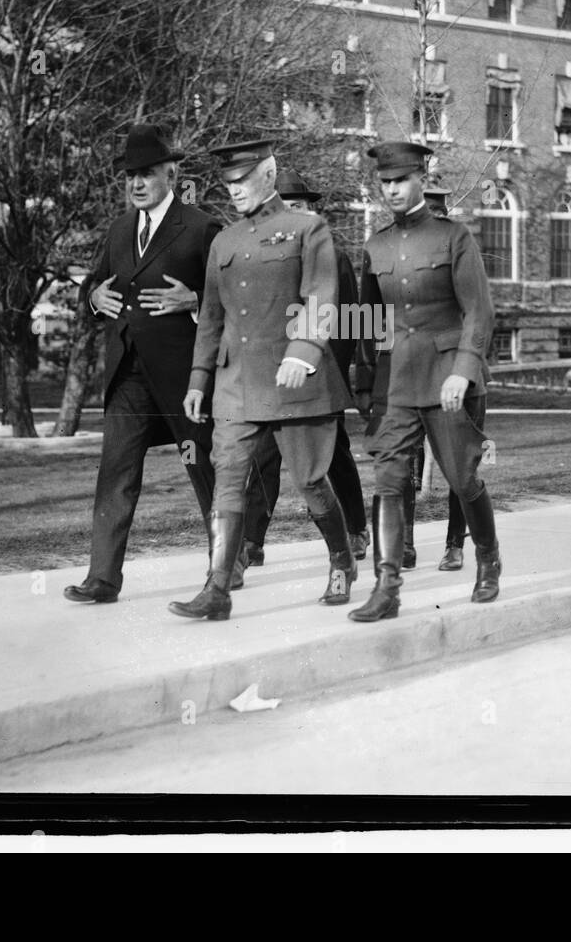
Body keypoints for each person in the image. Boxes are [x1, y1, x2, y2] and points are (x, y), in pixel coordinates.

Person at [170, 140, 355, 621]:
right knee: (228, 479)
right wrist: (198, 379)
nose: (233, 191)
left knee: (311, 481)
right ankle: (217, 588)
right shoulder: (223, 242)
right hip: (236, 384)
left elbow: (321, 297)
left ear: (269, 176)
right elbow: (210, 317)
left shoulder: (307, 229)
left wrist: (303, 352)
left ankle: (342, 560)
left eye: (242, 181)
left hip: (293, 382)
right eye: (228, 183)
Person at [63, 125, 224, 605]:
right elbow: (90, 287)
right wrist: (93, 297)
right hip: (127, 373)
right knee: (116, 472)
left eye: (146, 173)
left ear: (170, 174)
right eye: (130, 175)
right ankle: (103, 579)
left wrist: (193, 300)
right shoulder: (117, 229)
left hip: (185, 377)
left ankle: (226, 565)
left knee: (205, 471)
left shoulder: (200, 227)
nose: (136, 183)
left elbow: (230, 299)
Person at [350, 142, 497, 622]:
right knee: (389, 481)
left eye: (400, 181)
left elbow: (479, 311)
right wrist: (364, 386)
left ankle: (488, 559)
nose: (391, 190)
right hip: (395, 384)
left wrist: (463, 370)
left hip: (446, 378)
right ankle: (386, 587)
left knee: (462, 476)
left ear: (419, 178)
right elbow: (367, 323)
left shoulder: (453, 238)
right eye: (385, 183)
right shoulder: (375, 246)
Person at [240, 169, 370, 566]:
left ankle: (355, 529)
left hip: (319, 377)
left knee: (334, 455)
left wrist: (326, 372)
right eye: (284, 207)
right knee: (264, 457)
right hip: (274, 378)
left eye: (297, 206)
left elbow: (351, 323)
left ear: (310, 211)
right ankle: (251, 542)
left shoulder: (334, 256)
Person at [401, 183, 471, 571]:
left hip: (451, 375)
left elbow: (478, 320)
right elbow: (373, 318)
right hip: (407, 379)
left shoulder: (461, 258)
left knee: (459, 467)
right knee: (404, 467)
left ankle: (455, 545)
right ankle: (406, 544)